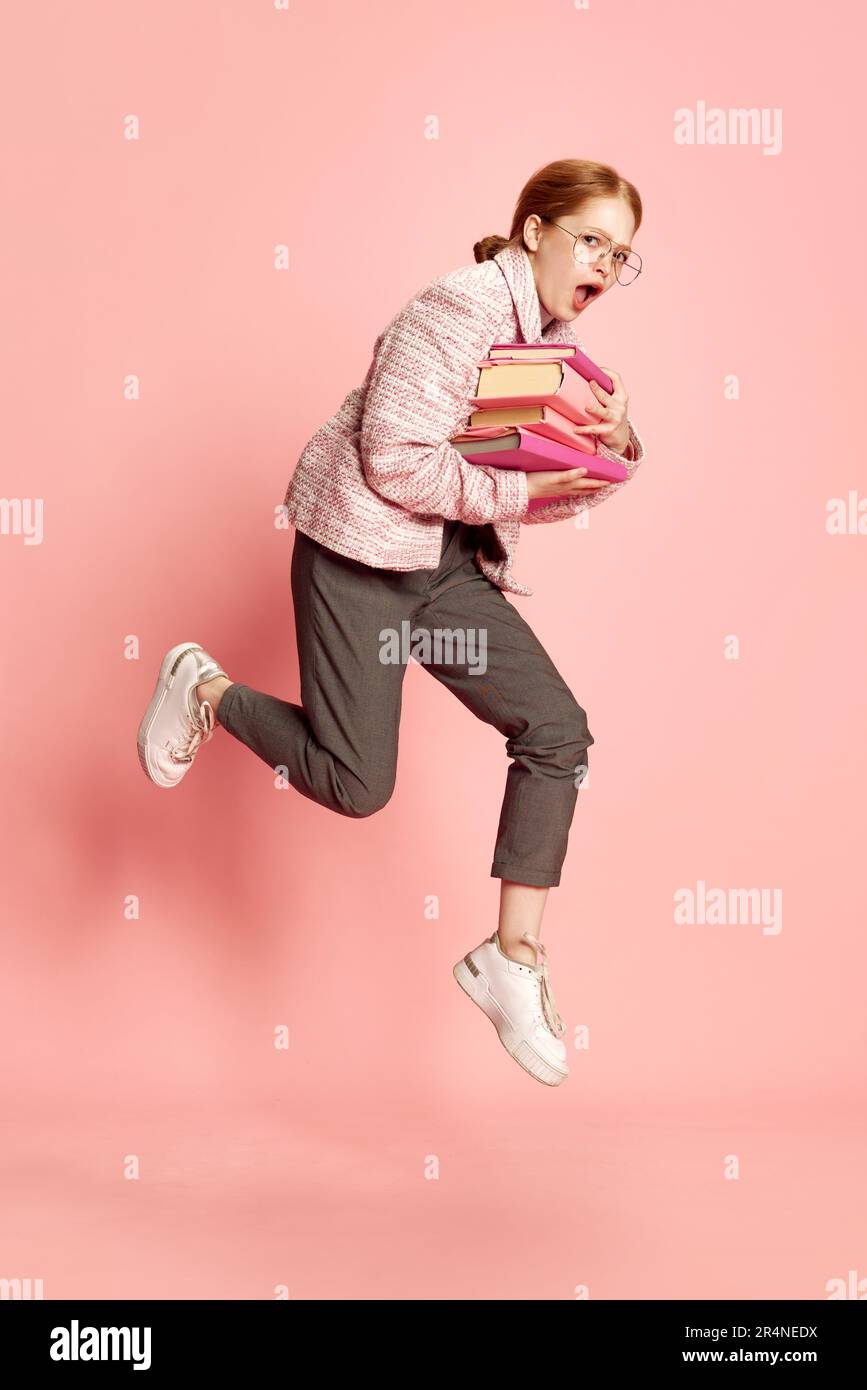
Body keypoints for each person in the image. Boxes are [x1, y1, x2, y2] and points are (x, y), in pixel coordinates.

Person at [136, 158, 647, 1088]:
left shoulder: (549, 340)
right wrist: (523, 486)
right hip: (360, 560)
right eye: (593, 241)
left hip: (443, 567)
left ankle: (512, 959)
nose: (606, 266)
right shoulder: (455, 310)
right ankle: (199, 683)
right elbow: (394, 463)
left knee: (556, 733)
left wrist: (613, 445)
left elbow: (525, 480)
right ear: (535, 230)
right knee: (353, 784)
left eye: (623, 254)